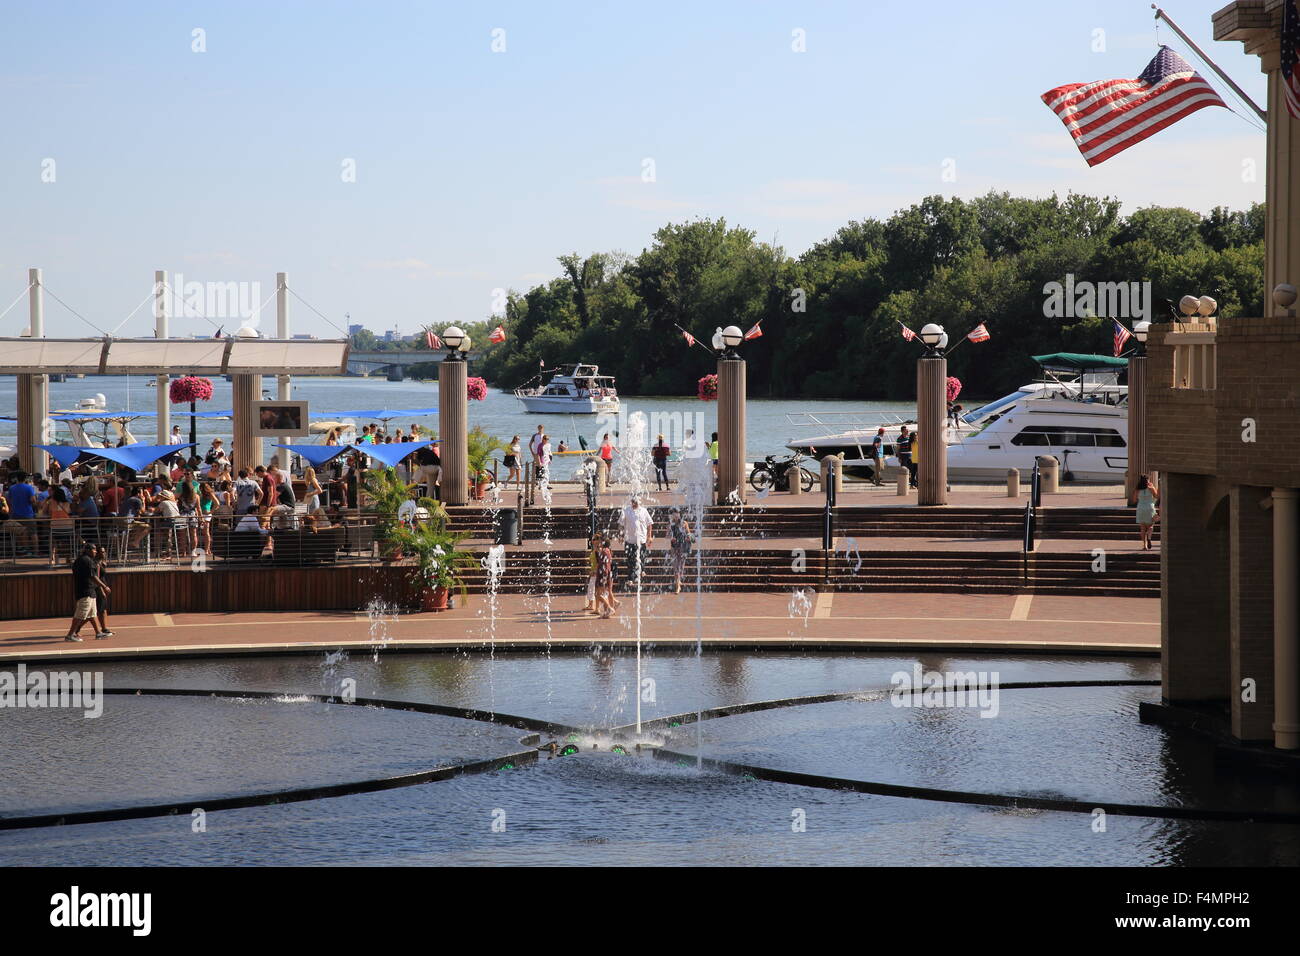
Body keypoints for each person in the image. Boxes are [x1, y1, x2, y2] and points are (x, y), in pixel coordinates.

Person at [66, 542, 107, 642]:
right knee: (81, 614)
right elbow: (93, 576)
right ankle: (70, 635)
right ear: (88, 550)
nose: (95, 552)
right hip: (86, 591)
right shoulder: (86, 560)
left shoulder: (82, 560)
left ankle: (98, 633)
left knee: (92, 614)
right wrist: (104, 586)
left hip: (90, 591)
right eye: (94, 550)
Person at [620, 496, 653, 587]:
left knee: (641, 557)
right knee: (630, 560)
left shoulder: (644, 511)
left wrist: (649, 537)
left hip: (641, 540)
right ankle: (630, 578)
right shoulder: (626, 511)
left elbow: (649, 524)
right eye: (633, 502)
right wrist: (621, 535)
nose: (635, 503)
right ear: (631, 502)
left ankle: (641, 571)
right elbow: (621, 524)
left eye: (637, 502)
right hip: (629, 540)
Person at [42, 485, 76, 566]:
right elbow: (70, 512)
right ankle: (69, 558)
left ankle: (52, 558)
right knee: (68, 541)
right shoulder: (67, 503)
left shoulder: (50, 502)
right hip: (67, 526)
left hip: (55, 526)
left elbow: (44, 511)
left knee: (53, 541)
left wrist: (47, 499)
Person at [666, 506, 692, 594]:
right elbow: (667, 536)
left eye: (676, 514)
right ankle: (678, 586)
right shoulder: (670, 524)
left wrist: (689, 538)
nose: (675, 516)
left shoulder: (684, 523)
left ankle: (678, 580)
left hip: (683, 547)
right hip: (674, 547)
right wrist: (671, 537)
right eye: (673, 514)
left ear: (679, 514)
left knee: (681, 565)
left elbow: (689, 534)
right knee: (675, 566)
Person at [92, 543, 114, 639]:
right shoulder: (97, 564)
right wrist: (102, 590)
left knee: (103, 609)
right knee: (100, 610)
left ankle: (104, 628)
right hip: (99, 588)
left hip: (103, 586)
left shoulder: (103, 562)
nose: (103, 553)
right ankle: (77, 629)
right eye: (101, 552)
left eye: (104, 552)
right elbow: (96, 578)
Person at [595, 535, 620, 619]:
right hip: (606, 573)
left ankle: (609, 608)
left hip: (603, 574)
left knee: (598, 594)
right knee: (604, 593)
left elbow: (605, 564)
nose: (599, 542)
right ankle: (607, 612)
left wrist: (604, 574)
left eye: (600, 541)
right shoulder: (607, 550)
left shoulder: (604, 551)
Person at [1136, 474, 1160, 550]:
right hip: (1150, 508)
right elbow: (1157, 496)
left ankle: (1144, 545)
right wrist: (1153, 487)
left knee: (1142, 528)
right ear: (1148, 480)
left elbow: (1134, 499)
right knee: (1151, 526)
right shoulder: (1151, 488)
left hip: (1140, 508)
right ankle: (1149, 538)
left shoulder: (1137, 489)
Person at [583, 532, 602, 613]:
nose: (592, 541)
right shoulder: (594, 549)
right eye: (592, 539)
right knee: (591, 588)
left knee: (592, 588)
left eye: (594, 539)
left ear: (598, 541)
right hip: (594, 571)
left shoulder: (598, 550)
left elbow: (599, 562)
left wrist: (595, 571)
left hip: (596, 572)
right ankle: (591, 604)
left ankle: (593, 605)